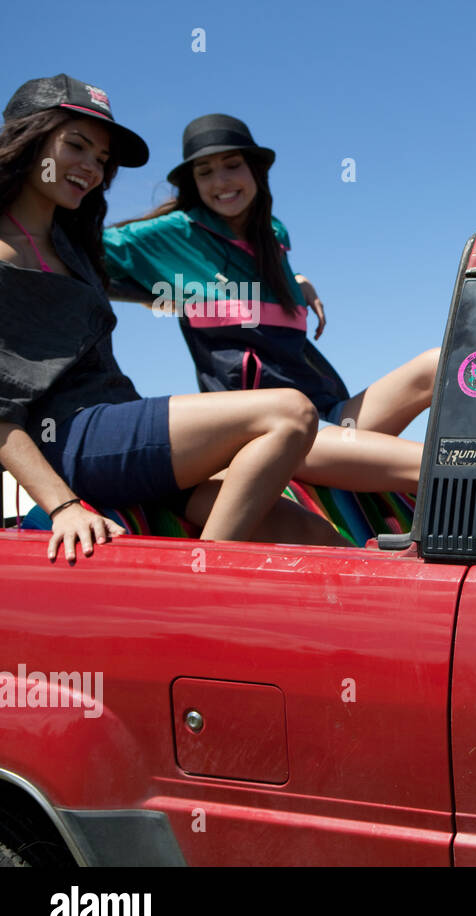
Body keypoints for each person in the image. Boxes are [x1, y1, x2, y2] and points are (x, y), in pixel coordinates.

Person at [0, 74, 342, 561]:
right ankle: (202, 582)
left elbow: (144, 288)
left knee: (314, 536)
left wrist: (289, 281)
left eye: (101, 159)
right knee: (289, 413)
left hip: (115, 426)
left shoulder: (72, 246)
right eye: (76, 146)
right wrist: (64, 507)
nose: (91, 168)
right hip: (73, 439)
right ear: (28, 139)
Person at [101, 113, 438, 495]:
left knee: (442, 364)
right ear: (193, 183)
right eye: (205, 172)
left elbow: (254, 287)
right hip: (272, 432)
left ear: (256, 172)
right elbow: (82, 248)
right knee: (440, 465)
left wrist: (296, 281)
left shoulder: (273, 236)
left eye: (232, 166)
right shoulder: (177, 234)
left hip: (329, 415)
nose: (222, 182)